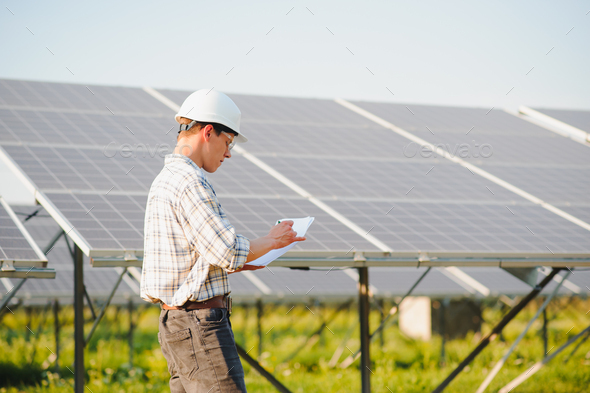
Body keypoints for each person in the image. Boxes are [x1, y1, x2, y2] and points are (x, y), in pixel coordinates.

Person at [140, 89, 306, 392]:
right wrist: (272, 240)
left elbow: (192, 260)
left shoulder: (164, 180)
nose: (228, 153)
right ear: (207, 132)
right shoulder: (190, 181)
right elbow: (227, 249)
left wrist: (241, 262)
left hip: (176, 323)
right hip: (200, 324)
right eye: (227, 142)